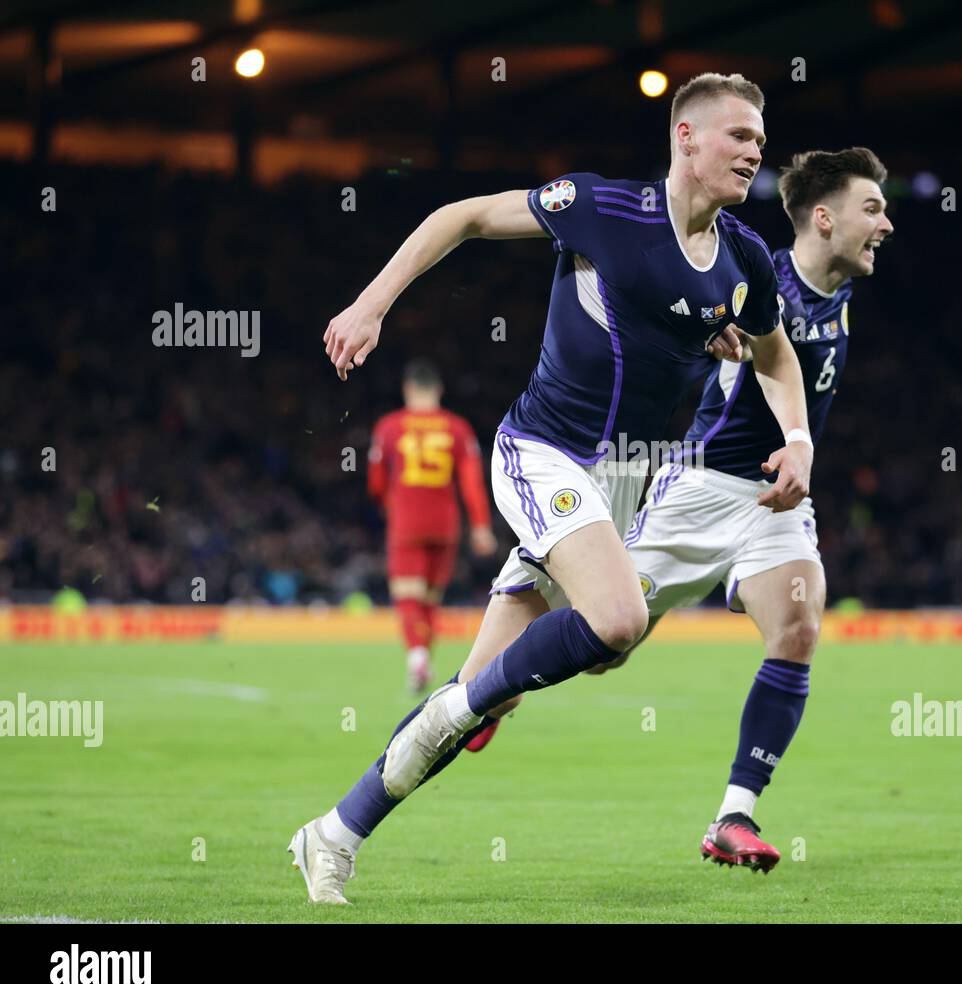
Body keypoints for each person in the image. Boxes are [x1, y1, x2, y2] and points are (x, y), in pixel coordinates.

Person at [290, 72, 813, 903]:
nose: (755, 150)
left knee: (486, 706)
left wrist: (797, 439)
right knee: (615, 619)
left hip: (623, 484)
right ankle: (460, 707)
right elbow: (458, 217)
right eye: (738, 135)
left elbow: (777, 353)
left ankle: (333, 832)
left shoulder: (744, 258)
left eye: (759, 138)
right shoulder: (603, 208)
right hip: (541, 454)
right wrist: (370, 305)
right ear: (685, 138)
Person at [475, 148, 894, 874]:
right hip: (692, 489)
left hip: (772, 497)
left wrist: (797, 446)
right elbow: (687, 324)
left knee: (798, 624)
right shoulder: (755, 280)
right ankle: (490, 687)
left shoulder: (838, 296)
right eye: (873, 208)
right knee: (606, 644)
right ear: (823, 219)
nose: (885, 223)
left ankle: (735, 814)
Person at [367, 359, 497, 692]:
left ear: (408, 389)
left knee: (407, 596)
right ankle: (424, 656)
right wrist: (481, 526)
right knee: (430, 599)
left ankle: (417, 658)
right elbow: (471, 483)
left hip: (407, 520)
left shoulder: (389, 427)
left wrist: (388, 505)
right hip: (445, 523)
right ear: (438, 390)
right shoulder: (457, 428)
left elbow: (376, 482)